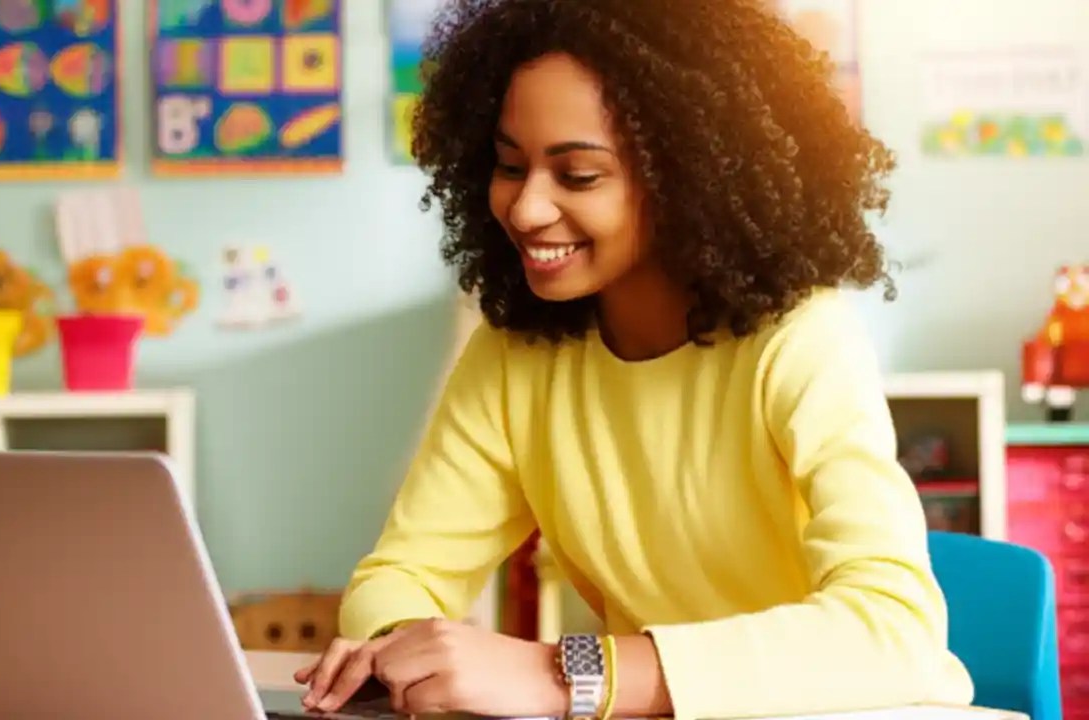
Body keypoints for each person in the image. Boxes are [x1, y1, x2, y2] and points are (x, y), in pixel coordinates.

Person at [295, 1, 975, 718]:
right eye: (508, 165)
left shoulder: (800, 340)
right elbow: (402, 573)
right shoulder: (514, 355)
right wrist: (404, 648)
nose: (525, 210)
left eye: (578, 176)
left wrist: (566, 674)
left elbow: (894, 635)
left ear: (691, 178)